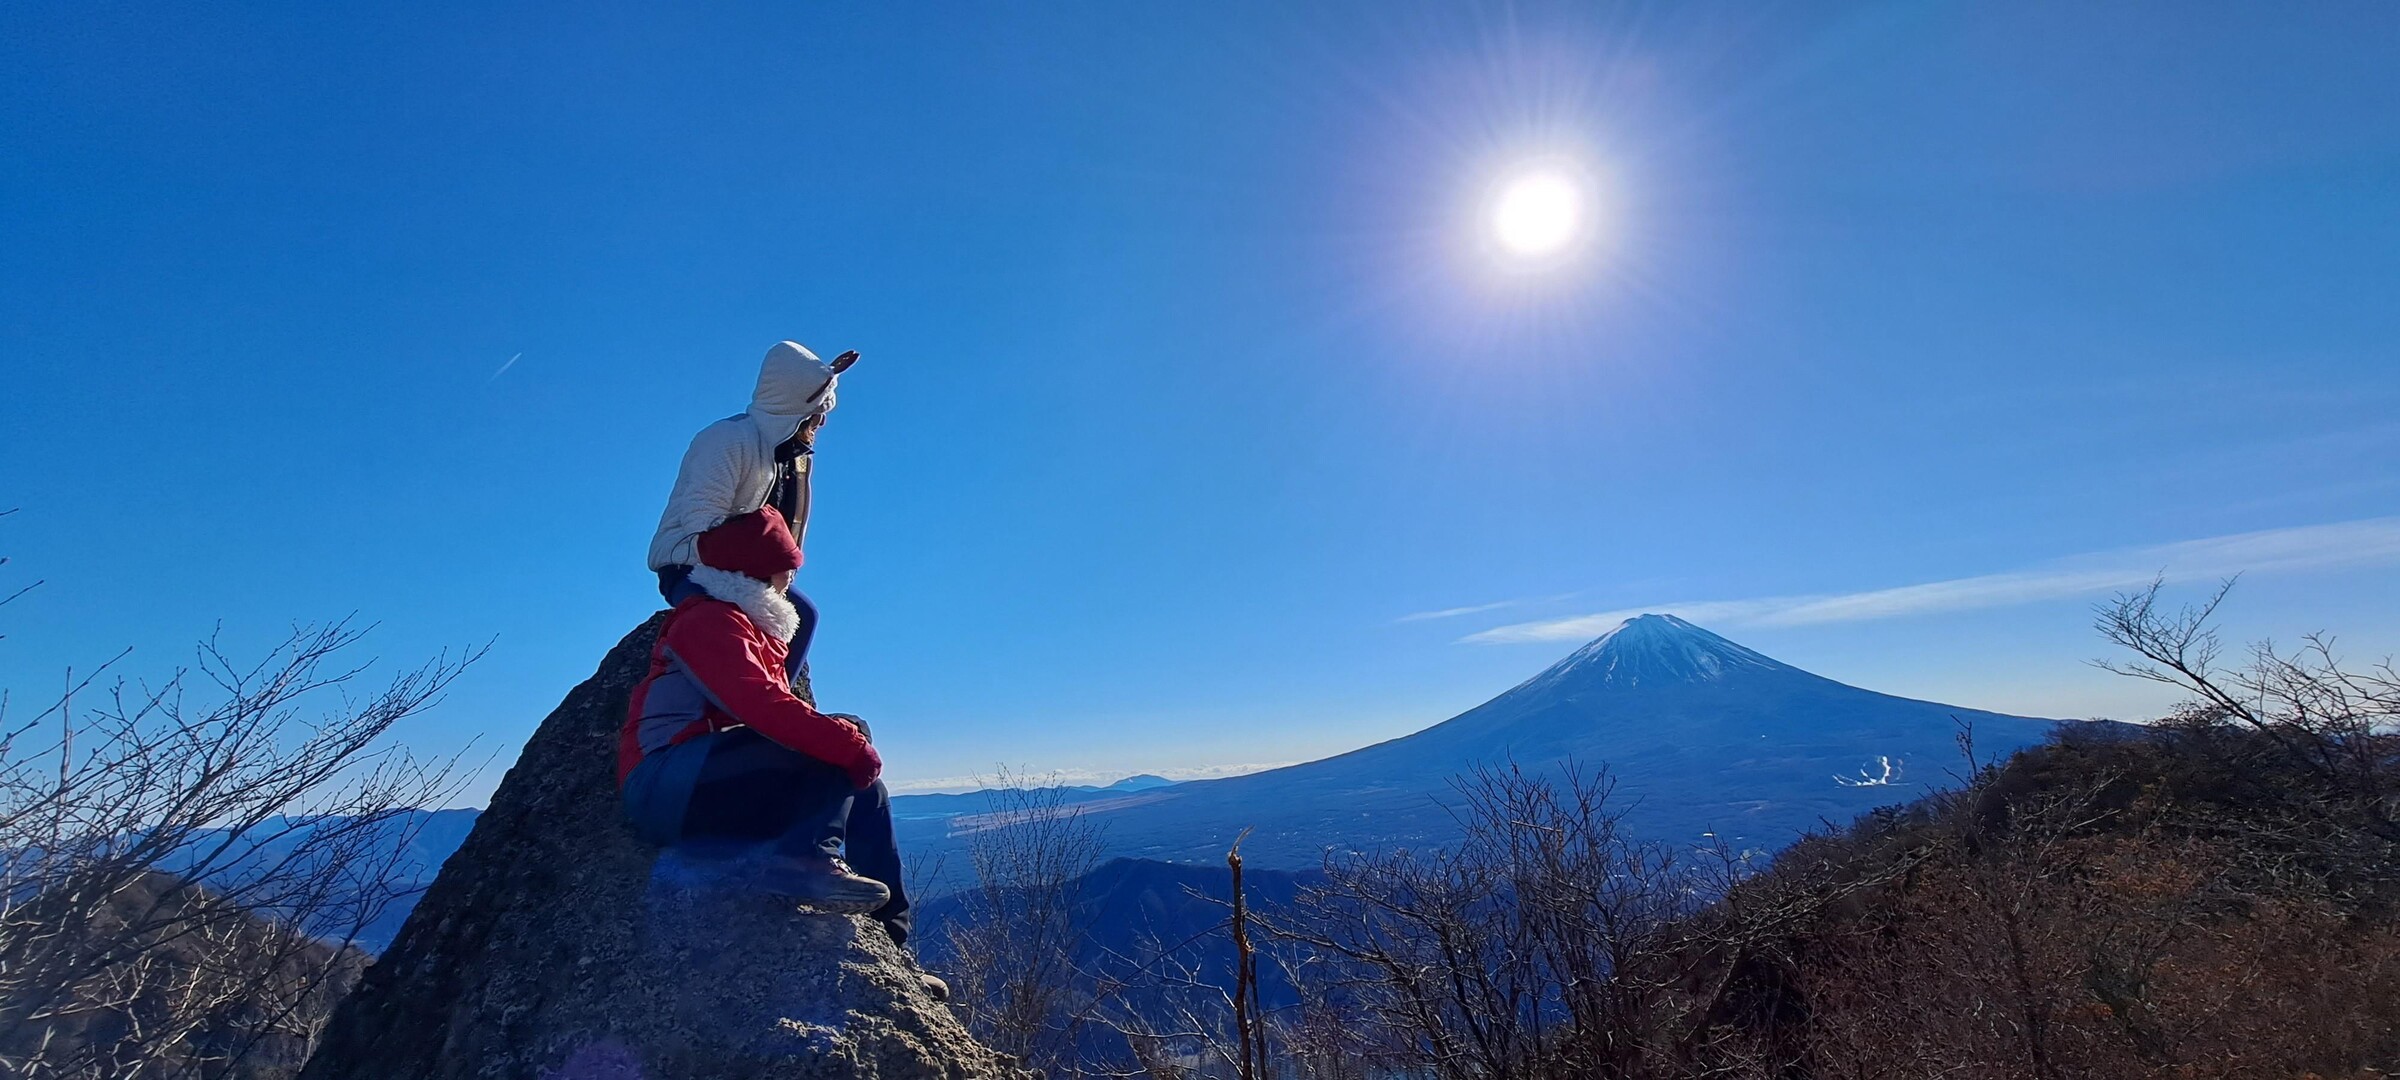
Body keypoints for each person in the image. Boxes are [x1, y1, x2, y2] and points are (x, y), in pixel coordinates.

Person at [618, 506, 915, 951]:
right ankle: (803, 860)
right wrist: (849, 743)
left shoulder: (750, 628)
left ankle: (893, 941)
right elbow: (762, 706)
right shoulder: (708, 620)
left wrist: (847, 747)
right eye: (785, 569)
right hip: (666, 783)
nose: (790, 581)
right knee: (839, 740)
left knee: (869, 793)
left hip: (711, 784)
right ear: (759, 569)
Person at [646, 340, 853, 682]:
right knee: (728, 624)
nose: (821, 424)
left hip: (750, 571)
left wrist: (775, 573)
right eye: (818, 414)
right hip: (688, 565)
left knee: (804, 616)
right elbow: (701, 522)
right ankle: (742, 706)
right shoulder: (728, 439)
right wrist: (769, 562)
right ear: (795, 408)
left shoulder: (791, 459)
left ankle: (774, 701)